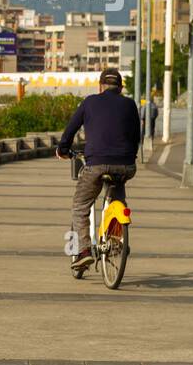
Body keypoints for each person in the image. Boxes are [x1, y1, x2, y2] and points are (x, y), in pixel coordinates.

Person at [56, 69, 141, 272]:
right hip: (126, 165)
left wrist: (63, 149)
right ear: (120, 88)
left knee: (80, 205)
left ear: (100, 86)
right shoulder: (129, 104)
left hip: (97, 164)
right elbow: (136, 135)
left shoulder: (90, 102)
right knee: (117, 196)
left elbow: (71, 129)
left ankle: (83, 251)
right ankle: (116, 238)